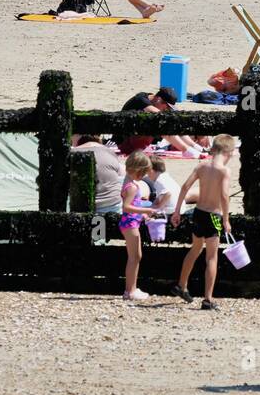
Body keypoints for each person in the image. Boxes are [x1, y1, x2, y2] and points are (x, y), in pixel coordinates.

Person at [170, 135, 237, 309]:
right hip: (213, 216)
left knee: (195, 248)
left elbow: (185, 187)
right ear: (228, 152)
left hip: (198, 213)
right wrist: (226, 219)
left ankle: (181, 285)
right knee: (212, 257)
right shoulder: (224, 171)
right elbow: (224, 195)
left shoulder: (202, 165)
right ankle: (207, 299)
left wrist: (177, 211)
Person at [115, 87, 207, 157]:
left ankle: (196, 148)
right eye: (166, 106)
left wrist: (195, 143)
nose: (166, 109)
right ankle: (186, 150)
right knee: (160, 122)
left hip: (144, 141)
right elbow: (161, 116)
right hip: (123, 142)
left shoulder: (155, 101)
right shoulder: (141, 100)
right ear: (158, 99)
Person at [118, 151, 158, 302]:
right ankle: (130, 290)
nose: (143, 176)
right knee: (134, 257)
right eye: (142, 172)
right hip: (130, 224)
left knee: (136, 256)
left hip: (132, 222)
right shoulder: (132, 187)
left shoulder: (129, 183)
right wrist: (146, 210)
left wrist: (143, 215)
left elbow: (132, 205)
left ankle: (132, 288)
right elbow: (126, 207)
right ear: (137, 170)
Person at [72, 134, 127, 214]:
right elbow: (121, 177)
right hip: (112, 205)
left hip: (82, 208)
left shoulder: (73, 153)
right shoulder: (110, 152)